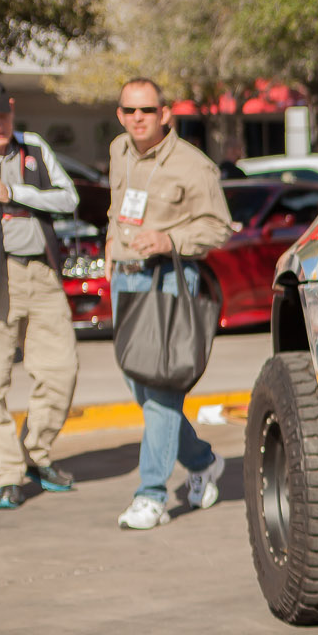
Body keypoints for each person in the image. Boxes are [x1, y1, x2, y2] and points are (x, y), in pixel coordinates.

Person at [105, 78, 231, 530]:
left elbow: (219, 227)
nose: (138, 118)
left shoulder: (193, 165)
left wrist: (169, 238)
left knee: (160, 391)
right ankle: (202, 462)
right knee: (140, 387)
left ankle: (151, 495)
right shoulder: (120, 150)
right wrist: (109, 262)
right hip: (126, 281)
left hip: (170, 280)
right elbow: (117, 211)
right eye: (129, 110)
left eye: (147, 110)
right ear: (120, 114)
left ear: (165, 114)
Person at [0, 76, 81, 510]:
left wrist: (15, 193)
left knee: (61, 370)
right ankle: (6, 476)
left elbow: (69, 198)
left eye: (3, 113)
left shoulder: (34, 147)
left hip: (40, 275)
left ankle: (35, 454)